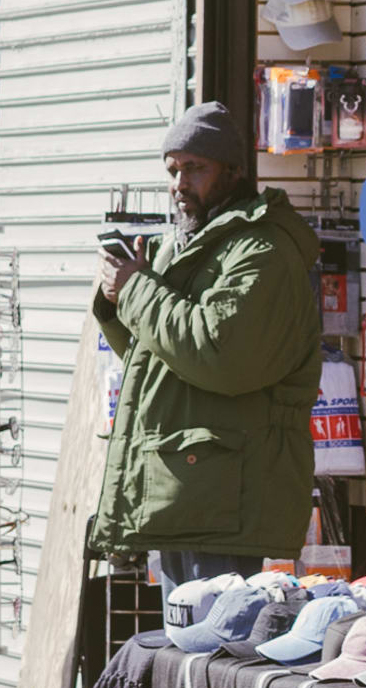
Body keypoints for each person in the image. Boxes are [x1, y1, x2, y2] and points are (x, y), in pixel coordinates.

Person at [93, 103, 321, 587]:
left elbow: (220, 356)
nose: (180, 183)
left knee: (209, 648)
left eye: (195, 168)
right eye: (174, 170)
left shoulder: (262, 251)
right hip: (194, 491)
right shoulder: (196, 245)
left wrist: (135, 290)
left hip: (226, 500)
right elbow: (159, 356)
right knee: (189, 651)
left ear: (232, 172)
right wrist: (119, 300)